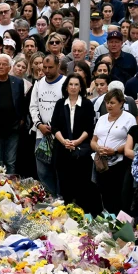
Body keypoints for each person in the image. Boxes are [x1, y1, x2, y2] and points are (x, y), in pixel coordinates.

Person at [51, 74, 97, 213]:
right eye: (70, 84)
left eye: (76, 84)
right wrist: (64, 141)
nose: (73, 87)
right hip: (62, 149)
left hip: (81, 152)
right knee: (65, 185)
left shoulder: (87, 104)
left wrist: (76, 142)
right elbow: (54, 126)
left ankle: (81, 214)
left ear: (81, 87)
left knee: (81, 186)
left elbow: (89, 128)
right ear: (66, 87)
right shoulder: (60, 103)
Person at [91, 90, 138, 214]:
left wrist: (115, 150)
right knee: (104, 195)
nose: (109, 106)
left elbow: (131, 142)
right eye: (107, 103)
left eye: (112, 103)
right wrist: (98, 148)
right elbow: (93, 140)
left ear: (121, 103)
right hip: (101, 164)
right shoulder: (101, 119)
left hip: (119, 164)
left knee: (118, 197)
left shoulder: (129, 119)